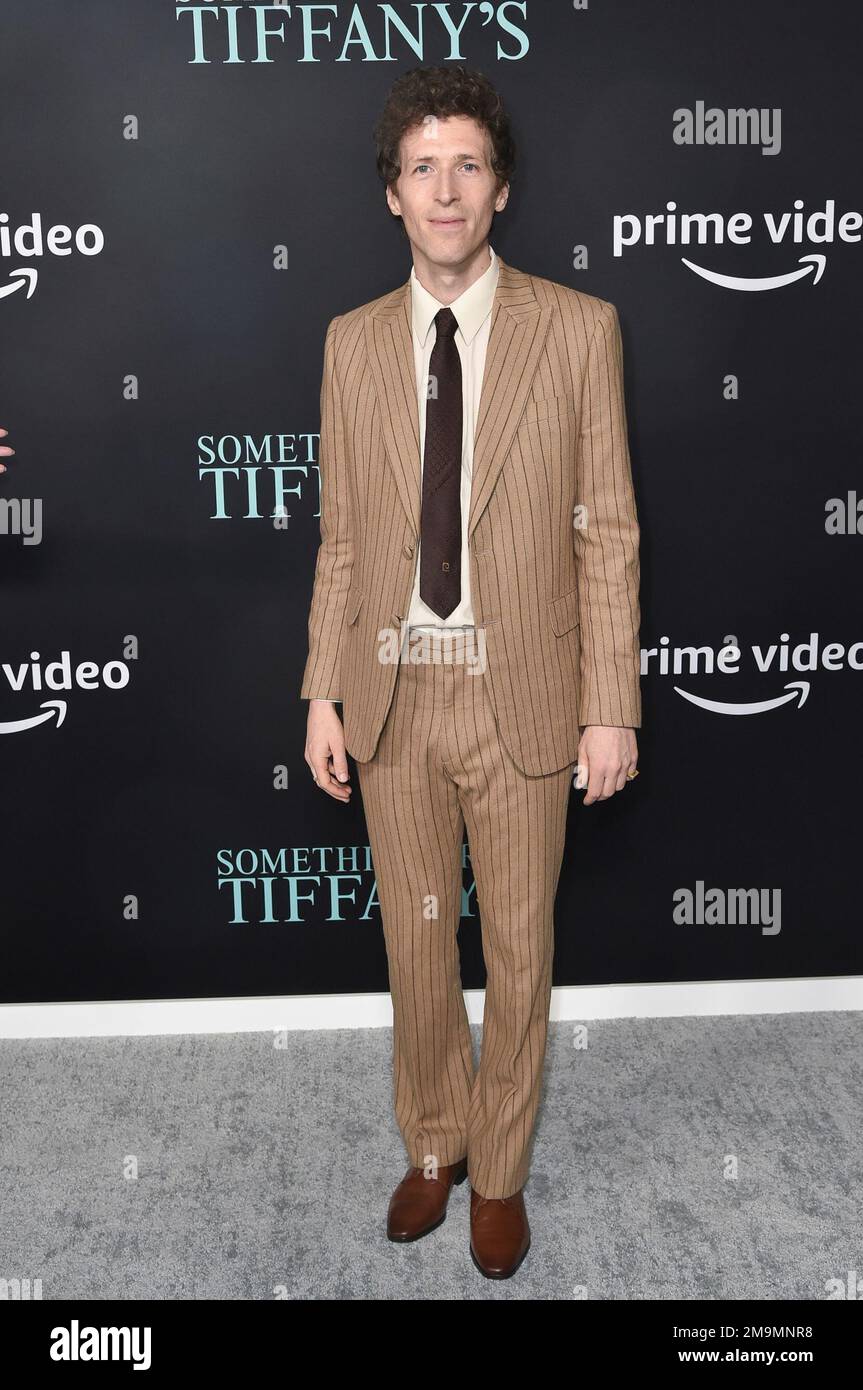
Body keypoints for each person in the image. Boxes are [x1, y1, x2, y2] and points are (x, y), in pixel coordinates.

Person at [302, 64, 641, 1279]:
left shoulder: (578, 327)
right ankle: (432, 1144)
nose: (443, 189)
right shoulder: (347, 344)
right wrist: (322, 691)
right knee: (414, 943)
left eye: (466, 165)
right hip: (392, 686)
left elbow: (605, 530)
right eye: (419, 167)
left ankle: (498, 1171)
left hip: (523, 692)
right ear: (391, 196)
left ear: (498, 189)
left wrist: (611, 705)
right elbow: (343, 533)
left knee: (520, 946)